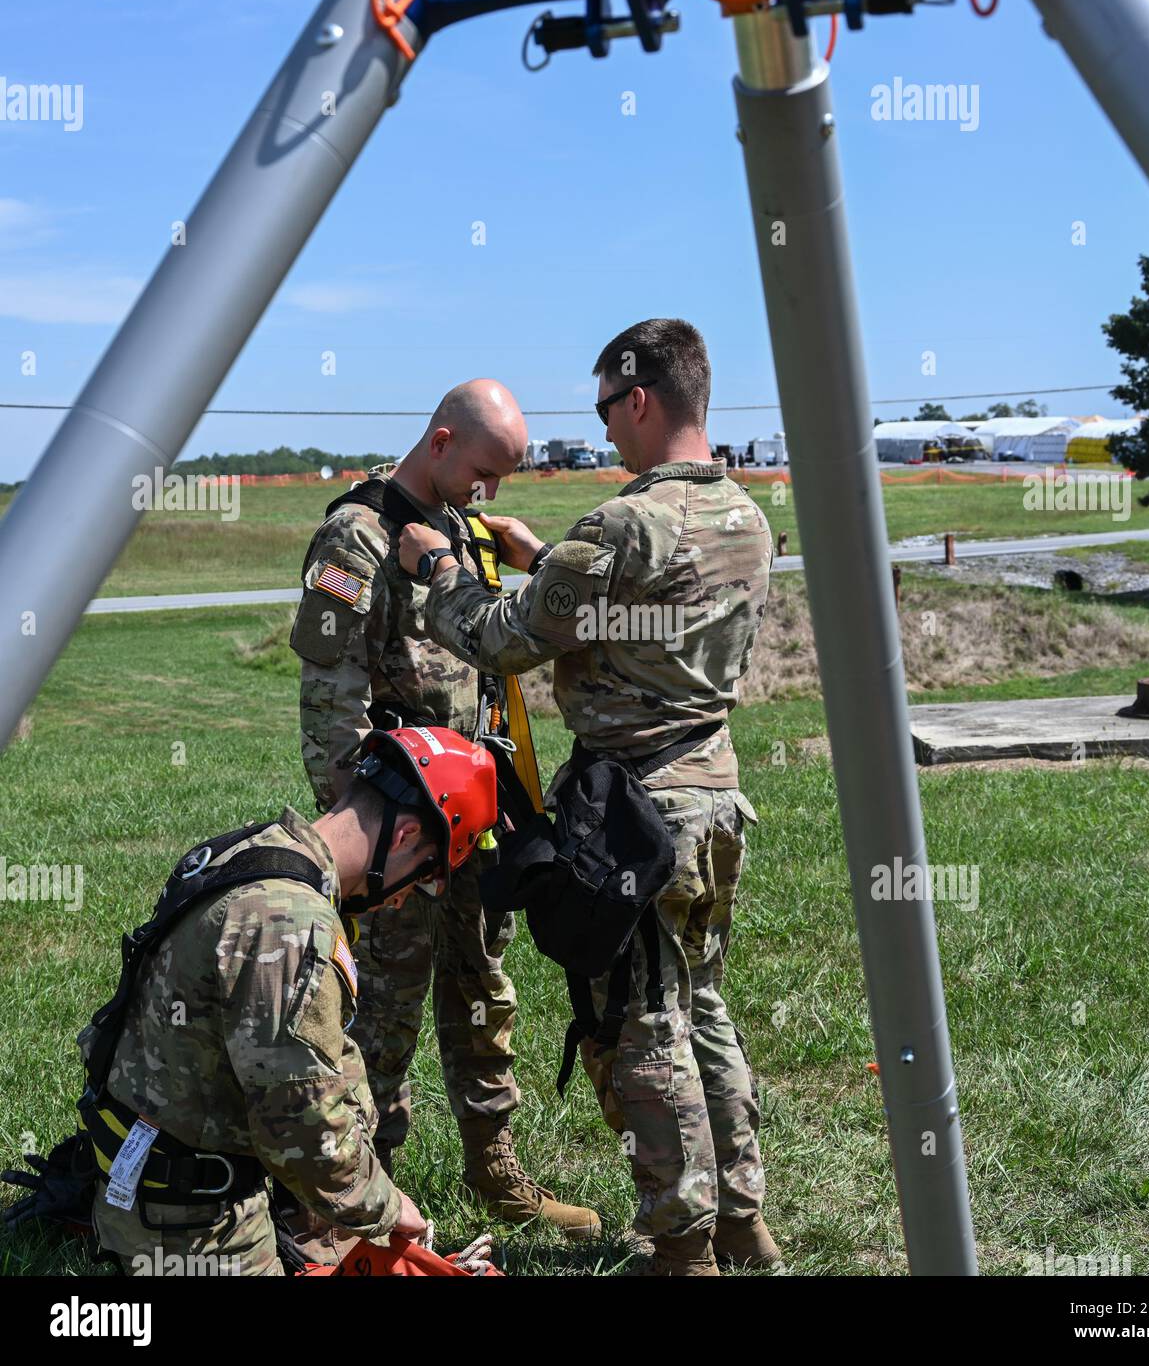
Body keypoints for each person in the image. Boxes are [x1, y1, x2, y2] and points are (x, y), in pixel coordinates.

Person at [402, 319, 780, 1275]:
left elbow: (497, 640)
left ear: (639, 398)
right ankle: (743, 1220)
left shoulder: (618, 525)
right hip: (715, 797)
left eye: (608, 410)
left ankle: (679, 1243)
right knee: (702, 1008)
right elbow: (639, 614)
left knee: (642, 1025)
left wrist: (436, 569)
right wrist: (542, 562)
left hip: (637, 815)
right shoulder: (745, 516)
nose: (606, 431)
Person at [289, 379, 598, 1239]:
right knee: (380, 1013)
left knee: (481, 989)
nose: (489, 492)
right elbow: (329, 702)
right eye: (482, 470)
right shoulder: (354, 537)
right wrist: (355, 841)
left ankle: (493, 1165)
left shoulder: (457, 532)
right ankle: (364, 1199)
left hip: (475, 811)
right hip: (393, 826)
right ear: (439, 439)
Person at [64, 727, 496, 1276]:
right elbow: (300, 1128)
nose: (410, 895)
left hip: (151, 1171)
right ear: (407, 833)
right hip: (191, 1225)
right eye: (429, 873)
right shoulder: (291, 924)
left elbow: (318, 1062)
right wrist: (387, 1209)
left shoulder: (255, 850)